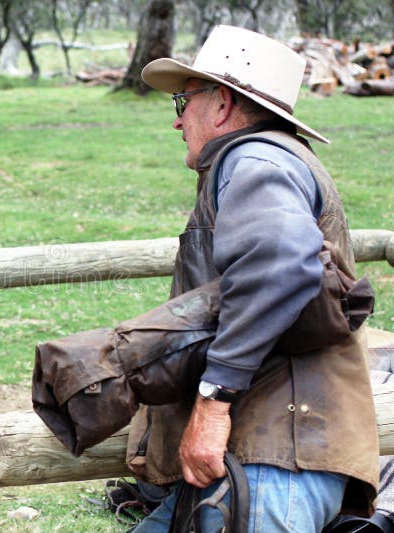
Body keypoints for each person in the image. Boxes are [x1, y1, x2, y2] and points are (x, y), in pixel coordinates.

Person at [127, 25, 379, 532]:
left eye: (183, 101)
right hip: (259, 457)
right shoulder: (260, 159)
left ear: (221, 104)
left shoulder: (253, 159)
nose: (177, 120)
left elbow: (282, 262)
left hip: (271, 461)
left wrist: (212, 403)